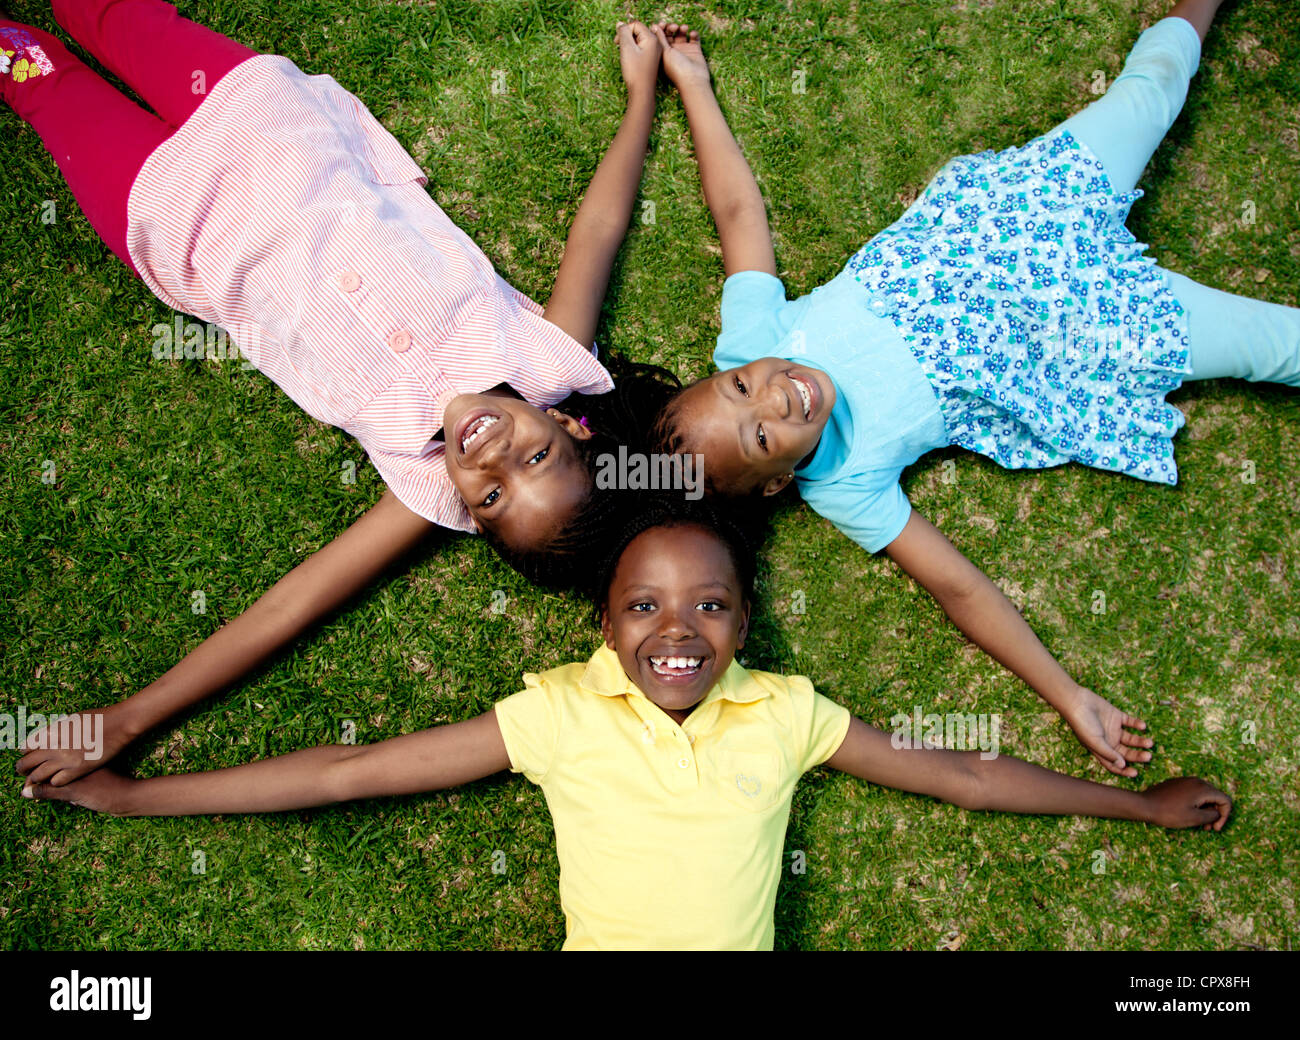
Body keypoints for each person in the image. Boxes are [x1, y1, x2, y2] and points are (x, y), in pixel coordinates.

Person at [20, 500, 1233, 951]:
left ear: (745, 621)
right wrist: (132, 795)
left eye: (709, 603)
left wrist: (1133, 803)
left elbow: (964, 774)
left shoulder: (789, 711)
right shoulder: (555, 711)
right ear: (602, 627)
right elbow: (348, 773)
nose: (679, 629)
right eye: (644, 604)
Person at [5, 1, 676, 787]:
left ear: (467, 513)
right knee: (107, 11)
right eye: (534, 453)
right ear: (566, 420)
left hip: (176, 219)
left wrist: (123, 721)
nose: (491, 455)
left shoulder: (421, 481)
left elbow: (289, 607)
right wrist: (641, 95)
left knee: (35, 78)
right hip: (268, 124)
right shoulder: (545, 351)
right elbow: (599, 227)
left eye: (490, 497)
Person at [646, 2, 1298, 777]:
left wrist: (692, 85)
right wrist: (1066, 694)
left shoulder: (753, 333)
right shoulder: (845, 485)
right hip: (1086, 330)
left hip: (1019, 212)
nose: (776, 395)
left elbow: (735, 210)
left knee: (1147, 91)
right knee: (1273, 345)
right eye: (762, 435)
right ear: (781, 478)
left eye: (743, 385)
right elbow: (959, 587)